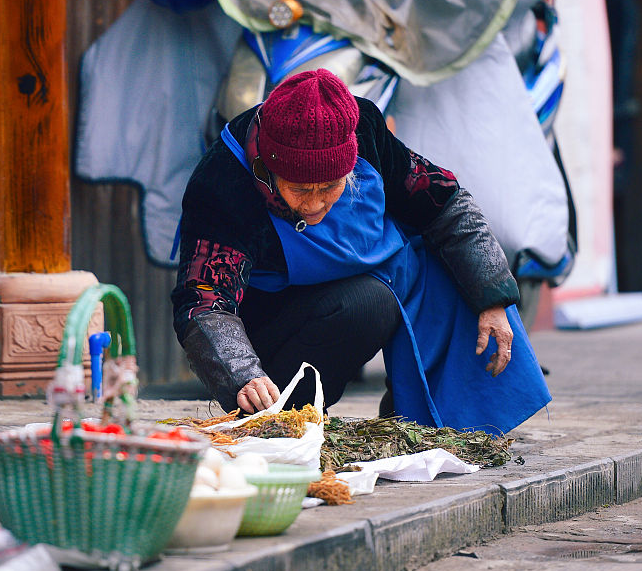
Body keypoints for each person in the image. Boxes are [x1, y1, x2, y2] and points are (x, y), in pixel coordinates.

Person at [171, 69, 550, 434]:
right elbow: (205, 302)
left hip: (350, 281)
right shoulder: (223, 182)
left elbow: (445, 202)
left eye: (330, 187)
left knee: (447, 262)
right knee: (369, 302)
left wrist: (493, 300)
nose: (314, 205)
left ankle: (427, 418)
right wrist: (244, 375)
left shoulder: (365, 128)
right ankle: (289, 415)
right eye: (299, 190)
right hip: (270, 337)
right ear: (268, 170)